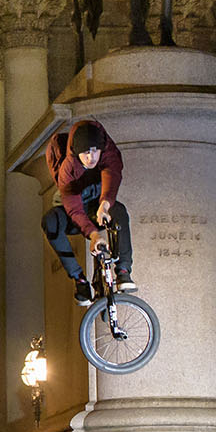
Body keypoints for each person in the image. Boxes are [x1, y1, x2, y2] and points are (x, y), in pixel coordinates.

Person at [42, 119, 136, 305]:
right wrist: (93, 235)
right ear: (77, 153)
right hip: (75, 211)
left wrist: (105, 204)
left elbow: (113, 173)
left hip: (98, 206)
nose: (91, 157)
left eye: (95, 151)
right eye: (86, 153)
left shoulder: (108, 151)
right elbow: (74, 208)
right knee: (50, 222)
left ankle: (123, 271)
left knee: (120, 211)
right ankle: (80, 280)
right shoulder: (67, 169)